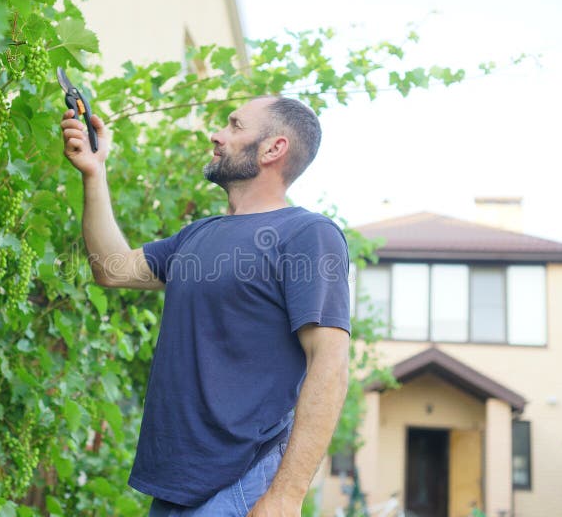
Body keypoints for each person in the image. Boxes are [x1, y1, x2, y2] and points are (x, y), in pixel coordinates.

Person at [61, 96, 351, 516]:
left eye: (234, 126)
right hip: (174, 489)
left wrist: (286, 497)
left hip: (241, 486)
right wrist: (94, 171)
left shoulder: (307, 235)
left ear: (274, 149)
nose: (217, 135)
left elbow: (330, 364)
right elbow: (114, 269)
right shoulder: (197, 236)